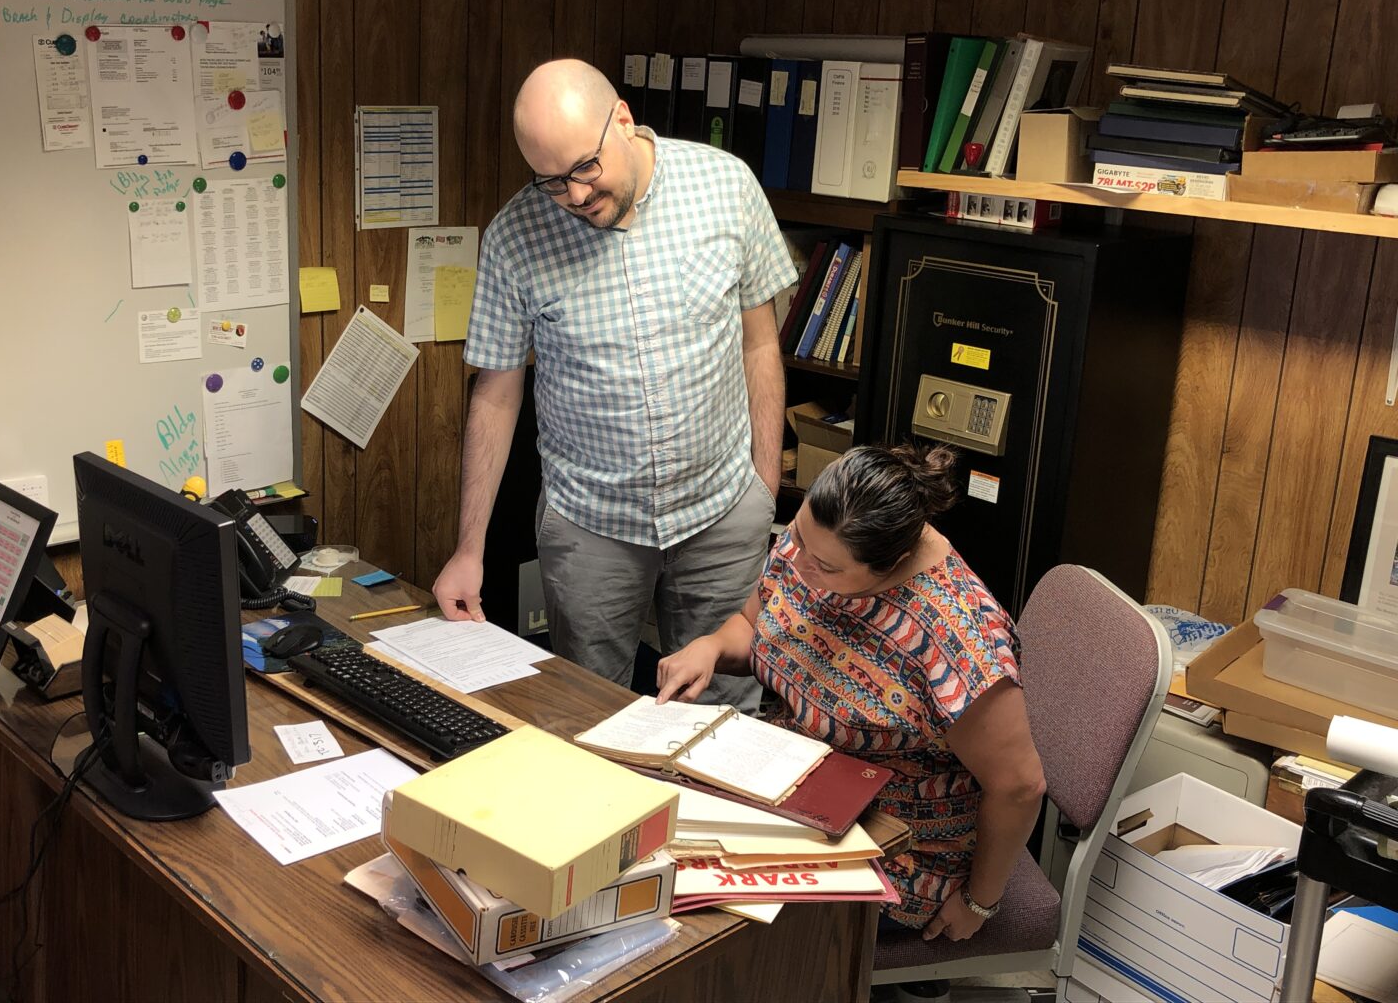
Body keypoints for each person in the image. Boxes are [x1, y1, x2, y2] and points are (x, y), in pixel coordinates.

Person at [431, 58, 797, 711]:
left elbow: (759, 342)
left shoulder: (726, 186)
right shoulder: (515, 235)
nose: (574, 195)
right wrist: (468, 549)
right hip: (590, 524)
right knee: (589, 716)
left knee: (727, 718)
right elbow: (496, 391)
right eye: (550, 181)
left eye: (584, 168)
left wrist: (763, 492)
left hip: (720, 511)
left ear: (623, 119)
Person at [656, 442, 1047, 941]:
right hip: (796, 785)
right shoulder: (819, 540)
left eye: (825, 567)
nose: (798, 565)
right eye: (796, 536)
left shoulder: (957, 638)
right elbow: (757, 623)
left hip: (895, 843)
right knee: (652, 844)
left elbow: (1019, 785)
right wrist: (712, 646)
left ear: (893, 562)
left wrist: (978, 902)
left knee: (702, 922)